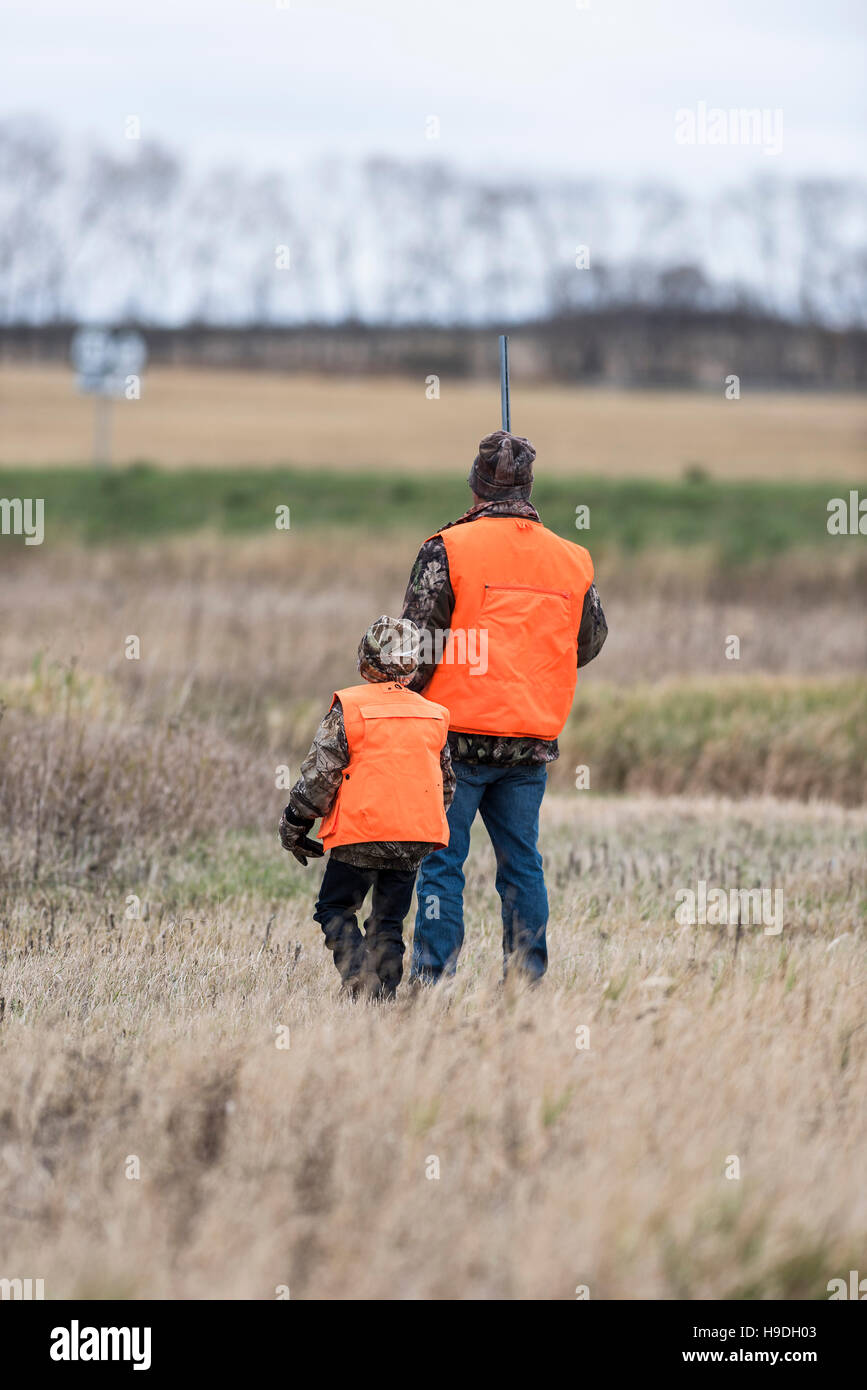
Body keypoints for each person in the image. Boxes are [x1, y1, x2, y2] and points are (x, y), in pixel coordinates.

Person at [401, 430, 608, 984]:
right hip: (530, 742)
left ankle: (431, 981)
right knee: (522, 869)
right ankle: (526, 981)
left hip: (453, 740)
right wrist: (529, 658)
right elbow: (586, 643)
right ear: (530, 487)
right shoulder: (572, 559)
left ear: (474, 486)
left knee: (442, 864)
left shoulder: (447, 548)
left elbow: (416, 646)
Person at [278, 616, 455, 998]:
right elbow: (446, 785)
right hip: (413, 839)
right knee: (389, 922)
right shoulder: (435, 715)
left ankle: (358, 975)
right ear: (413, 666)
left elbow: (319, 778)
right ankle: (384, 997)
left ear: (365, 661)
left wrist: (294, 824)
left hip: (359, 836)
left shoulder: (350, 708)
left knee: (335, 908)